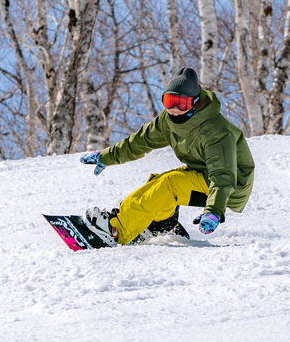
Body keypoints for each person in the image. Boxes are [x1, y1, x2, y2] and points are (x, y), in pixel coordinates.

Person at [79, 67, 255, 245]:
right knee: (159, 181)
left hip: (231, 185)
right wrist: (106, 157)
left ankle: (118, 231)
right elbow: (139, 141)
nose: (174, 109)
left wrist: (214, 210)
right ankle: (161, 224)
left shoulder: (216, 131)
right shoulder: (167, 120)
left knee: (170, 184)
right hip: (205, 174)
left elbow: (223, 174)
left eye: (181, 103)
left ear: (194, 102)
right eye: (169, 101)